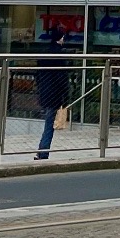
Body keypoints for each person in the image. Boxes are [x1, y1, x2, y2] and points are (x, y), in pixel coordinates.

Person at [33, 27, 71, 160]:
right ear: (60, 38)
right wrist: (65, 96)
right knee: (49, 124)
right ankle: (43, 152)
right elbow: (62, 78)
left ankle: (42, 150)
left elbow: (37, 75)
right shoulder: (59, 55)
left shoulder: (44, 54)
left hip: (44, 92)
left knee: (48, 122)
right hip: (55, 93)